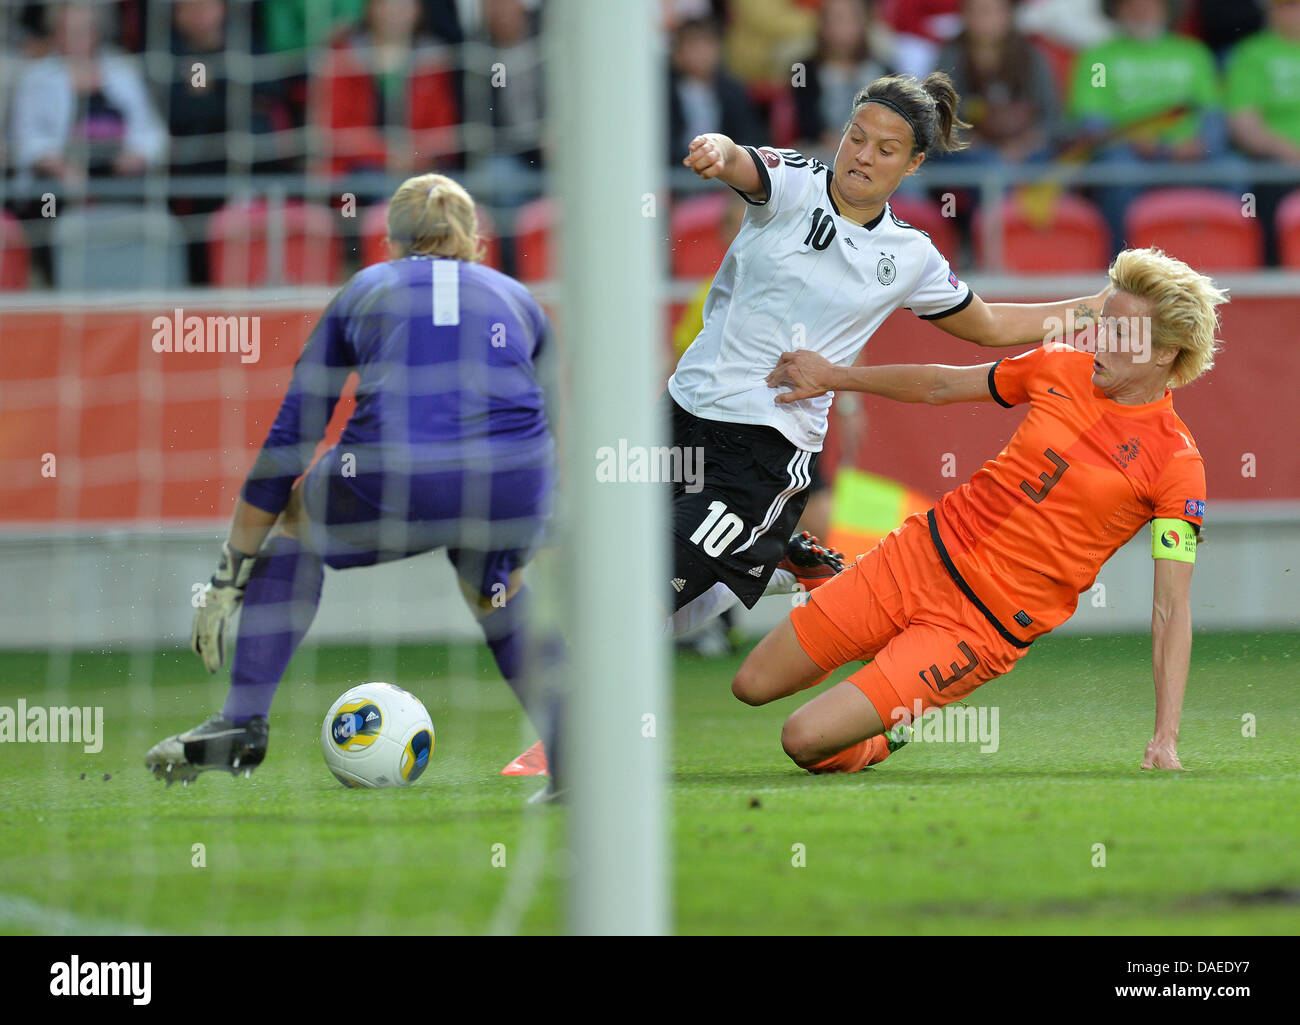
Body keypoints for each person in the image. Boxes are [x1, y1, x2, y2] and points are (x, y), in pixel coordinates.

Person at [145, 173, 563, 792]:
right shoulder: (520, 300)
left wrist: (230, 574)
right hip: (514, 479)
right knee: (495, 585)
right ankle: (574, 748)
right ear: (476, 239)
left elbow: (291, 437)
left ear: (390, 243)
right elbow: (552, 419)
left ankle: (242, 721)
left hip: (394, 471)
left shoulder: (366, 288)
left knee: (295, 527)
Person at [737, 246, 1225, 775]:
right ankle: (837, 581)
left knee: (804, 739)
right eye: (1104, 323)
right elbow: (943, 384)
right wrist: (834, 376)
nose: (1100, 338)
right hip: (918, 555)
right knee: (751, 686)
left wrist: (1165, 738)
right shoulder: (1057, 365)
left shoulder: (1177, 463)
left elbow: (1172, 610)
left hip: (979, 626)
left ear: (1163, 354)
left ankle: (894, 727)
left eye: (1122, 333)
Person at [667, 72, 1111, 642]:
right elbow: (741, 162)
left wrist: (1094, 310)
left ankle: (758, 553)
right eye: (856, 137)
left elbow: (991, 325)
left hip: (764, 442)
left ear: (913, 165)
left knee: (643, 593)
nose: (862, 156)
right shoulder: (795, 183)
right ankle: (765, 558)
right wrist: (716, 150)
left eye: (886, 149)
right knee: (611, 574)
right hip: (683, 406)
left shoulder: (910, 256)